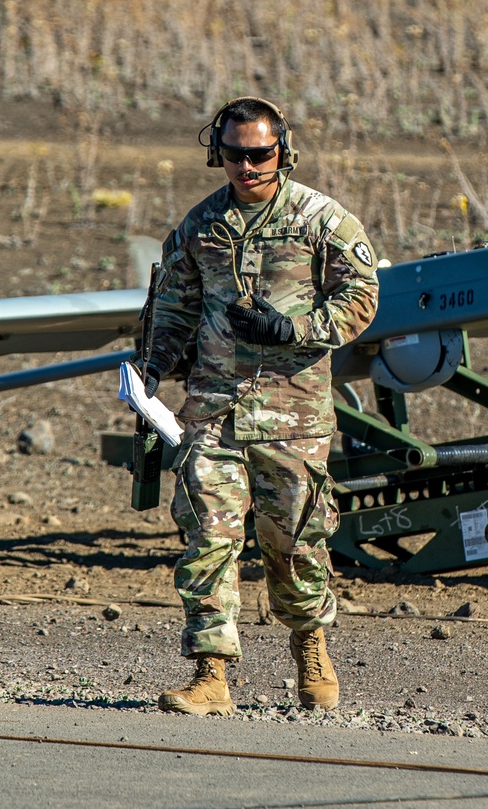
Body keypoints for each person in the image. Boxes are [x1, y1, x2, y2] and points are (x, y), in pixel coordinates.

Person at [143, 96, 378, 715]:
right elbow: (174, 307)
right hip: (214, 411)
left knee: (296, 539)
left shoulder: (321, 221)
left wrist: (296, 329)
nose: (247, 167)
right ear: (216, 153)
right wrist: (153, 364)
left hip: (292, 415)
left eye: (260, 154)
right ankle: (210, 674)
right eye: (234, 154)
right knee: (208, 536)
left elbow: (363, 296)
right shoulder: (200, 227)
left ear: (283, 152)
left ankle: (310, 647)